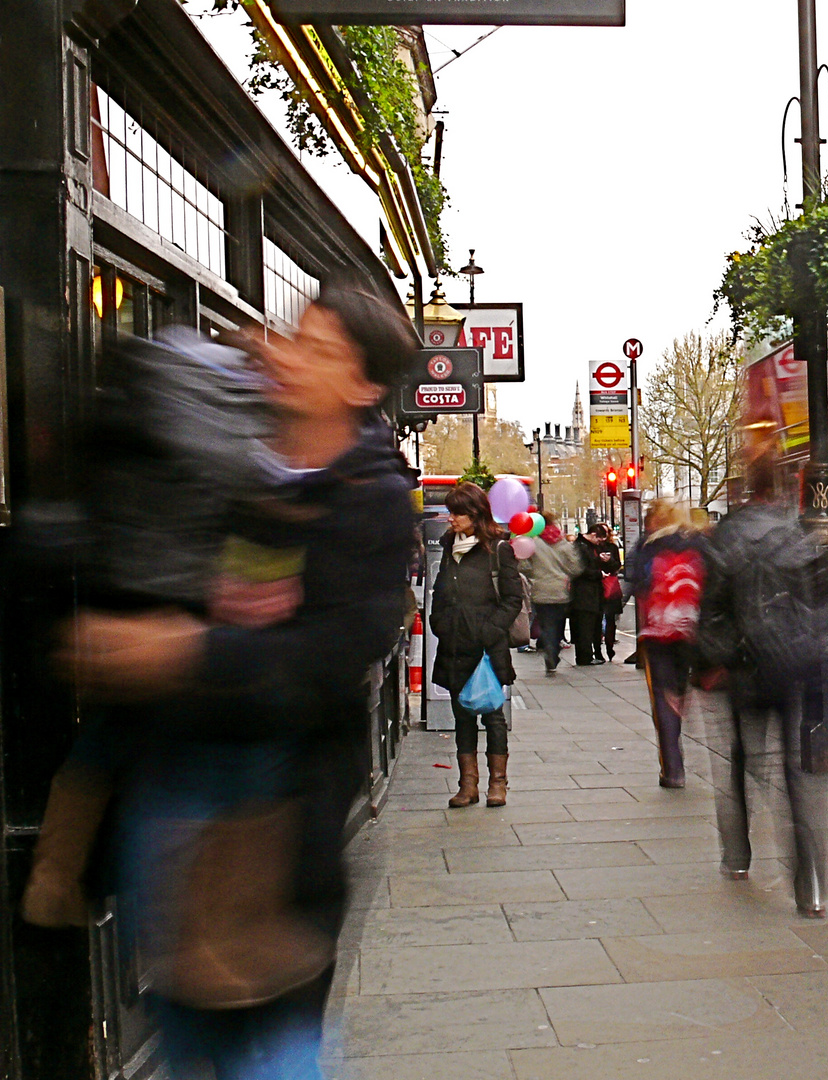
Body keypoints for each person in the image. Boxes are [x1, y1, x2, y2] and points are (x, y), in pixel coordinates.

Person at [58, 285, 418, 1079]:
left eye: (320, 350)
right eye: (297, 337)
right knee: (184, 1010)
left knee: (272, 1032)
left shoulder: (372, 497)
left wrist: (187, 651)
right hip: (171, 777)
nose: (293, 356)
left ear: (362, 385)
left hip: (282, 804)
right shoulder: (237, 444)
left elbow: (334, 654)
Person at [697, 439, 828, 918]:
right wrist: (814, 655)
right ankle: (810, 887)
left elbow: (710, 608)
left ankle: (738, 856)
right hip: (790, 666)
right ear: (780, 487)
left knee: (740, 761)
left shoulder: (727, 535)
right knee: (797, 773)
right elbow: (820, 604)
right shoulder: (798, 534)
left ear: (744, 487)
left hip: (743, 667)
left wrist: (714, 660)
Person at [431, 482, 524, 808]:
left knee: (493, 716)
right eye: (451, 512)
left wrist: (490, 630)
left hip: (486, 648)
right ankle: (467, 785)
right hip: (454, 644)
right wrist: (439, 622)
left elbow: (512, 599)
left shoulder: (498, 549)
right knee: (462, 717)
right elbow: (440, 590)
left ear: (475, 514)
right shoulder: (449, 546)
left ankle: (497, 784)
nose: (451, 518)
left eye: (457, 513)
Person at [626, 501, 707, 788]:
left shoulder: (647, 546)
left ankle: (673, 768)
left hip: (658, 632)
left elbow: (635, 579)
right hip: (690, 629)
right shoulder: (699, 543)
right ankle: (679, 703)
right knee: (679, 688)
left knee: (662, 696)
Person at [523, 514, 580, 676]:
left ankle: (550, 651)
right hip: (561, 590)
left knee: (546, 624)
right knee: (558, 623)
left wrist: (534, 574)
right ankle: (553, 650)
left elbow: (524, 566)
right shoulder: (563, 543)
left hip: (540, 589)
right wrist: (565, 575)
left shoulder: (533, 544)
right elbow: (575, 567)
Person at [569, 528, 605, 665]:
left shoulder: (583, 546)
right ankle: (585, 657)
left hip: (586, 593)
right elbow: (581, 570)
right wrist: (599, 574)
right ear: (593, 535)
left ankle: (584, 656)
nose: (599, 543)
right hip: (584, 593)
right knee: (585, 626)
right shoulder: (582, 547)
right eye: (599, 540)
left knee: (585, 626)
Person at [595, 522, 626, 661]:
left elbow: (617, 565)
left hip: (610, 586)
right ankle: (598, 650)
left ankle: (609, 645)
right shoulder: (592, 547)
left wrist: (609, 561)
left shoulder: (612, 547)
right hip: (597, 585)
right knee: (597, 619)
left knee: (610, 618)